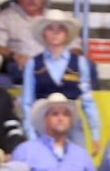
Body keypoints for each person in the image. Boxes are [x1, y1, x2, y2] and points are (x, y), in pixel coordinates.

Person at [20, 9, 100, 146]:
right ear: (44, 33)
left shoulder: (80, 62)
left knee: (77, 158)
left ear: (66, 34)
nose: (55, 32)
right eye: (50, 28)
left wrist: (95, 132)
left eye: (60, 29)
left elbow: (87, 100)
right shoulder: (33, 64)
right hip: (43, 124)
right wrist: (31, 134)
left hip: (72, 123)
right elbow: (27, 102)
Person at [12, 92, 100, 171]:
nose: (61, 118)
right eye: (55, 114)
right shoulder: (25, 151)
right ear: (45, 119)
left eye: (66, 114)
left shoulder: (82, 155)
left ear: (71, 121)